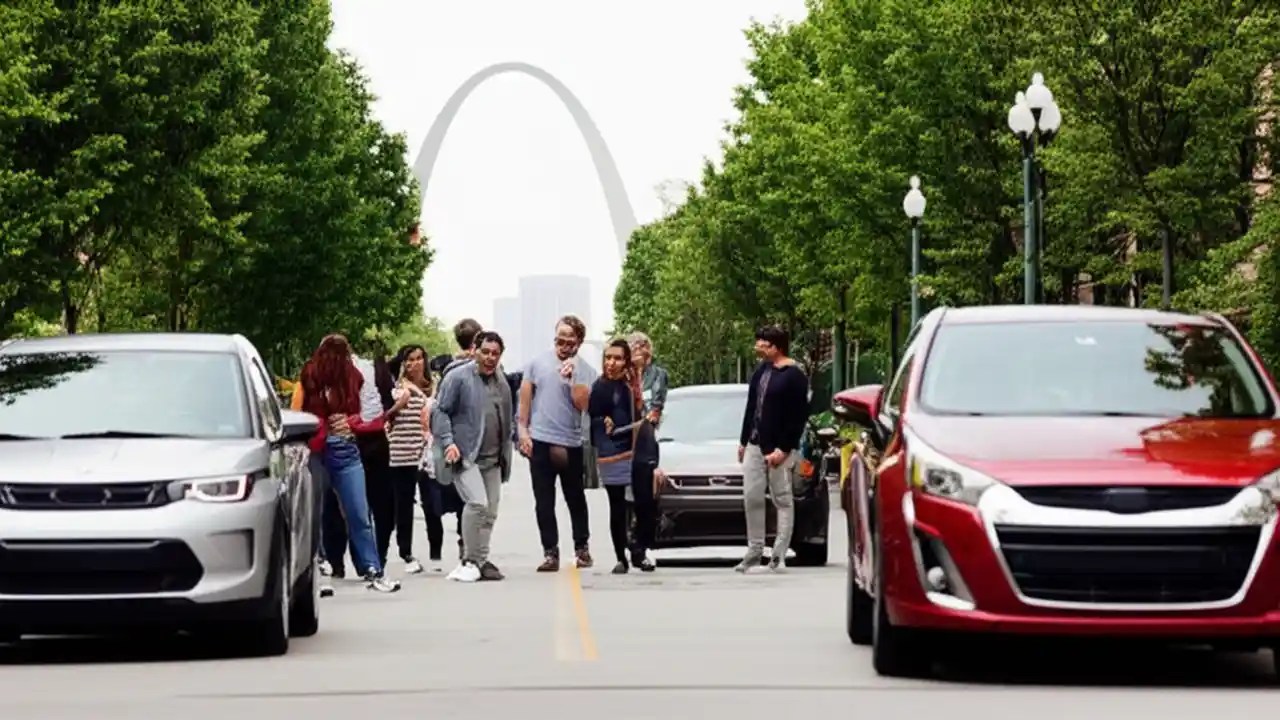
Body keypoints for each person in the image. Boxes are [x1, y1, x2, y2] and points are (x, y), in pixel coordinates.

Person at [300, 334, 405, 592]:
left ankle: (333, 566)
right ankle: (367, 568)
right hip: (336, 448)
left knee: (326, 512)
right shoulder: (345, 374)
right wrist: (351, 423)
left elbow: (299, 410)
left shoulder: (322, 373)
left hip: (324, 449)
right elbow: (373, 410)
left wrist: (347, 422)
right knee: (357, 513)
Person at [518, 315, 599, 571]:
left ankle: (582, 548)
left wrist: (573, 379)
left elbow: (585, 406)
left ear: (579, 342)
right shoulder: (536, 364)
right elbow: (525, 401)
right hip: (541, 439)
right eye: (559, 340)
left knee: (575, 497)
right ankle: (550, 551)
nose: (563, 346)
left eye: (569, 342)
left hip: (571, 443)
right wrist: (523, 432)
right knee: (543, 499)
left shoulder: (587, 370)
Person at [432, 331, 514, 582]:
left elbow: (506, 416)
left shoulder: (501, 380)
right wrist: (448, 443)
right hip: (465, 455)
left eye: (495, 353)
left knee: (490, 511)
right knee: (477, 504)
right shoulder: (458, 377)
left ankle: (480, 559)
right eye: (485, 352)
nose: (490, 357)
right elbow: (440, 412)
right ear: (474, 351)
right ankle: (468, 558)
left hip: (493, 458)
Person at [736, 325, 809, 573]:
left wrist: (785, 448)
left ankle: (778, 554)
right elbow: (751, 407)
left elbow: (798, 416)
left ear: (776, 347)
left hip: (778, 448)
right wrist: (743, 440)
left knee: (782, 498)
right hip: (756, 444)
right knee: (752, 496)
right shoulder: (761, 371)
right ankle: (754, 550)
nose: (758, 347)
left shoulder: (794, 375)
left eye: (763, 344)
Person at [588, 339, 647, 573]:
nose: (611, 363)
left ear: (626, 362)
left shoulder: (632, 386)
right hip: (612, 454)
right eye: (608, 358)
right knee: (618, 506)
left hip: (637, 450)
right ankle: (620, 556)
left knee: (639, 504)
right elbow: (593, 417)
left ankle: (638, 550)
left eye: (618, 358)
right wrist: (603, 421)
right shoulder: (600, 387)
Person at [386, 344, 433, 574]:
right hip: (401, 454)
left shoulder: (431, 388)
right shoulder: (399, 388)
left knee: (432, 503)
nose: (415, 363)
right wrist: (399, 404)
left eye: (419, 358)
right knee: (403, 505)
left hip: (425, 454)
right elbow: (387, 417)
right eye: (410, 359)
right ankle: (406, 551)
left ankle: (437, 549)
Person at [627, 332, 666, 571]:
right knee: (623, 496)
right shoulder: (624, 375)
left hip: (647, 438)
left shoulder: (659, 375)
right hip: (625, 441)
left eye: (643, 346)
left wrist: (648, 420)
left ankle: (641, 546)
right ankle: (626, 544)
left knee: (645, 498)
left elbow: (657, 407)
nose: (640, 350)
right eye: (634, 346)